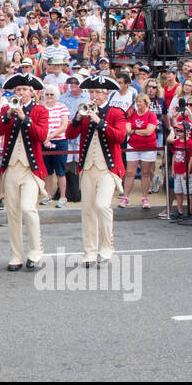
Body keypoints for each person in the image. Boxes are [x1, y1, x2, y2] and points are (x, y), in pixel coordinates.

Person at [65, 76, 128, 267]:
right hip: (87, 167)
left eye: (98, 93)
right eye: (92, 92)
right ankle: (90, 251)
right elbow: (70, 135)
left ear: (106, 94)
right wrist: (78, 118)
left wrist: (99, 121)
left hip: (107, 168)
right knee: (88, 210)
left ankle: (107, 247)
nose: (94, 96)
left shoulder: (116, 112)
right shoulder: (85, 111)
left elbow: (120, 137)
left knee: (102, 206)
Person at [0, 74, 49, 271]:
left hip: (30, 169)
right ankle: (16, 255)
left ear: (32, 92)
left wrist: (25, 119)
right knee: (13, 213)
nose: (21, 93)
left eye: (24, 90)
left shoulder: (40, 110)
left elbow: (41, 136)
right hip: (11, 168)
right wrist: (9, 114)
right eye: (18, 91)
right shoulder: (5, 109)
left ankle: (36, 250)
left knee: (28, 208)